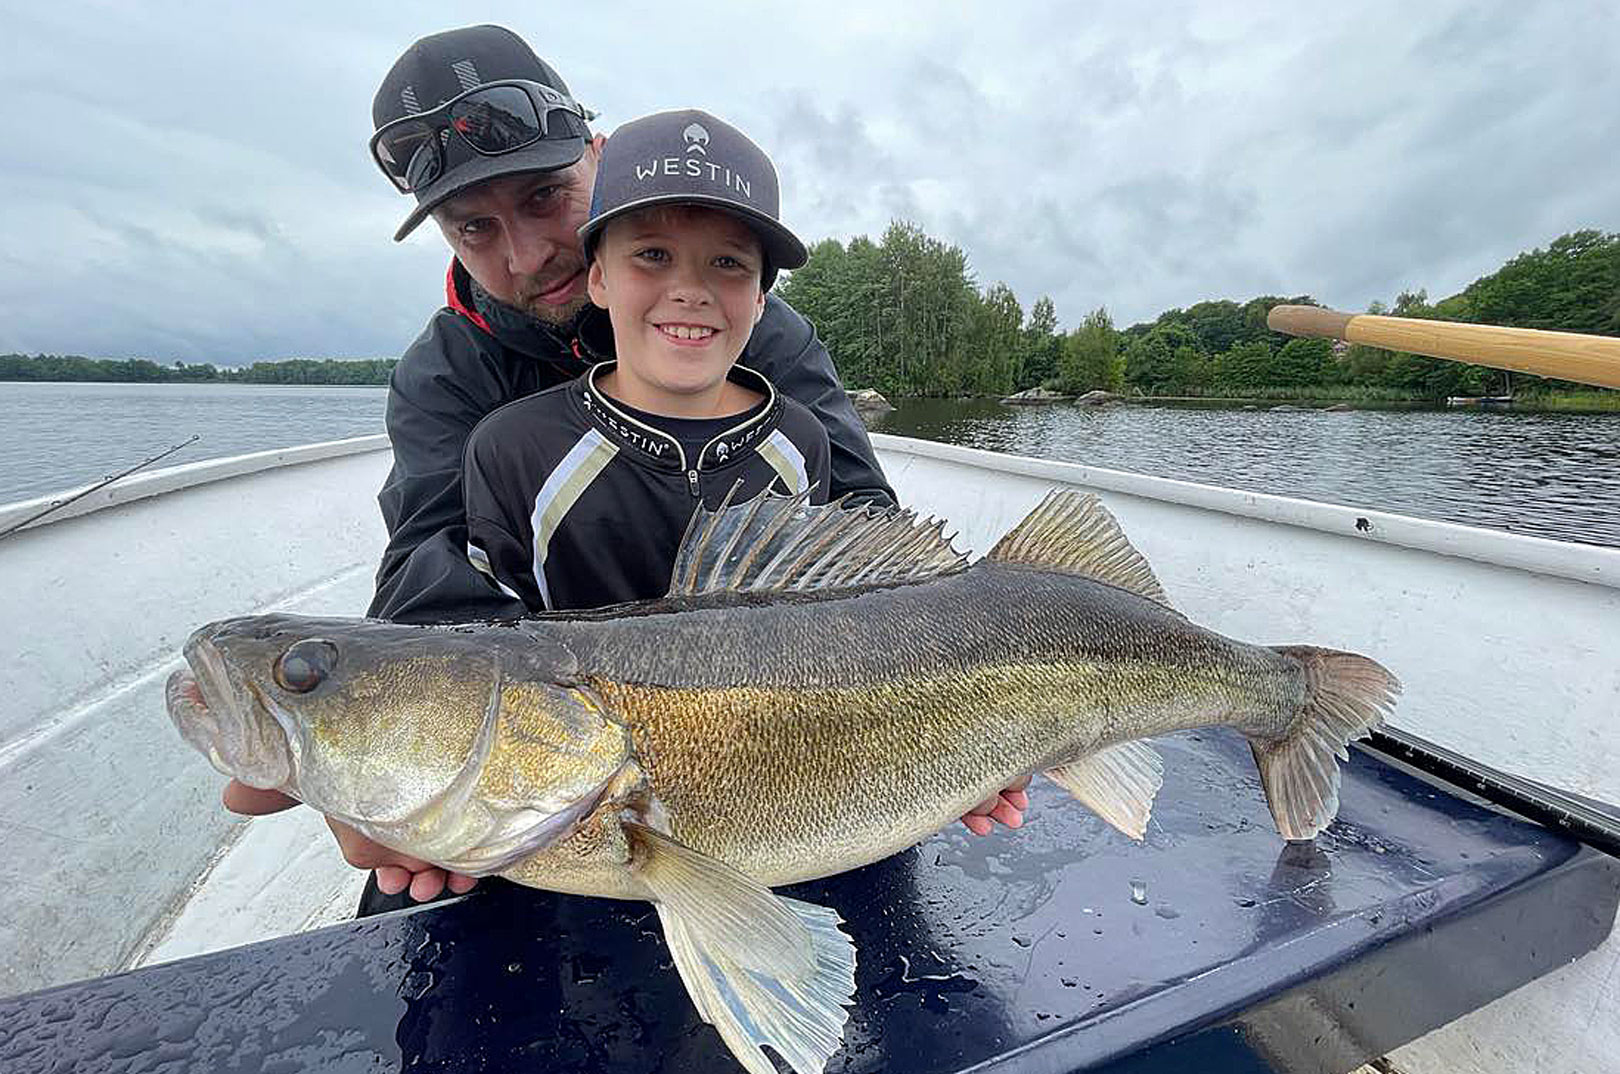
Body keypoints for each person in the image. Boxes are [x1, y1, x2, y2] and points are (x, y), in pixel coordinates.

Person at [222, 25, 1027, 909]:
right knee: (415, 913)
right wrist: (384, 780)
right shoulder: (448, 378)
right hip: (568, 770)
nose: (525, 254)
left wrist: (951, 709)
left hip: (787, 730)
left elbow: (865, 534)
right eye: (474, 228)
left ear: (598, 160)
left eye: (544, 197)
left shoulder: (753, 332)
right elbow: (431, 586)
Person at [463, 109, 831, 613]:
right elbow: (484, 635)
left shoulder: (801, 440)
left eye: (728, 262)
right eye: (653, 255)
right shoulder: (512, 450)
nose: (690, 291)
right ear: (598, 280)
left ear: (760, 300)